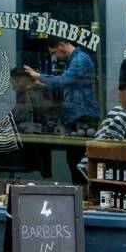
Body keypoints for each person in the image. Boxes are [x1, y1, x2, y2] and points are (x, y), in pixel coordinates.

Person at [24, 36, 99, 182]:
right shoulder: (73, 60)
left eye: (54, 53)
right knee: (73, 162)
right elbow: (68, 86)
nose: (55, 57)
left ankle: (85, 199)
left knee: (79, 163)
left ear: (61, 44)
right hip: (76, 118)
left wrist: (38, 75)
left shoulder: (80, 60)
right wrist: (44, 85)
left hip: (83, 118)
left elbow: (64, 81)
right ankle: (81, 198)